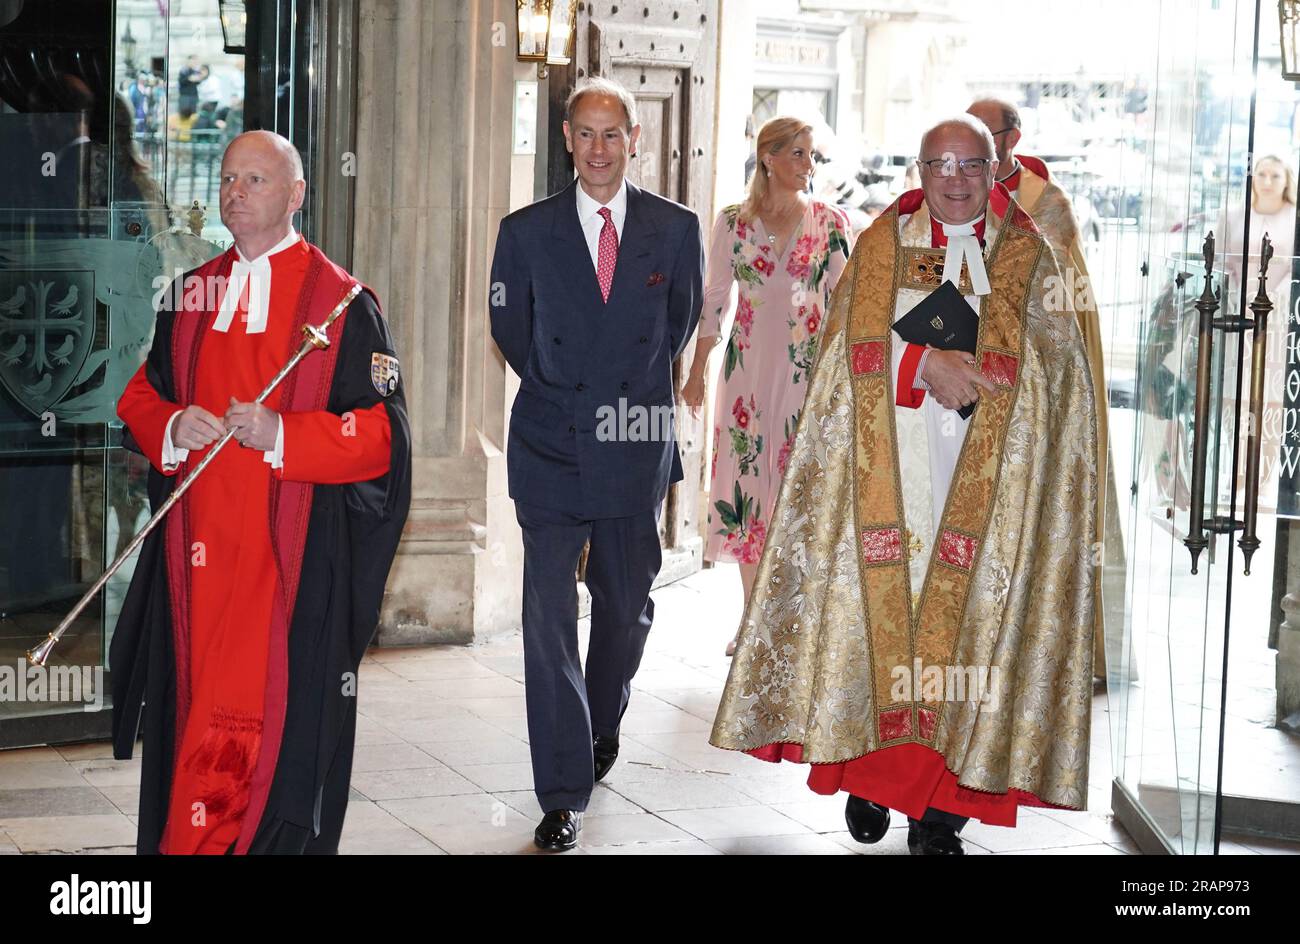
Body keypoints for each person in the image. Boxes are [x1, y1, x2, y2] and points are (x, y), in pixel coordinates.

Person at [710, 115, 1098, 855]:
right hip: (889, 468)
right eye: (939, 164)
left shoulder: (1029, 255)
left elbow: (1066, 377)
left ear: (994, 169)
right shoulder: (884, 244)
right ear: (919, 170)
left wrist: (999, 382)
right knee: (880, 629)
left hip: (989, 487)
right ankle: (867, 776)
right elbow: (840, 354)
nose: (955, 179)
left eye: (970, 165)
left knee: (966, 647)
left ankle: (939, 814)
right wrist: (919, 367)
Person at [111, 130, 412, 854]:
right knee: (194, 726)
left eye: (256, 180)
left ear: (297, 195)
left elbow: (383, 440)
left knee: (275, 734)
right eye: (228, 180)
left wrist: (282, 433)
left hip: (289, 573)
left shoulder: (342, 306)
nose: (236, 194)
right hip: (197, 569)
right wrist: (175, 424)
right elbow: (140, 400)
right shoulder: (190, 294)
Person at [489, 77, 704, 851]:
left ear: (635, 139)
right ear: (568, 139)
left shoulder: (676, 231)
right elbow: (511, 328)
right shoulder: (524, 231)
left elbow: (676, 326)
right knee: (547, 619)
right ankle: (561, 790)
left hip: (634, 435)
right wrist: (562, 389)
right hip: (549, 439)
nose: (600, 148)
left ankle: (603, 715)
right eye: (586, 133)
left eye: (614, 134)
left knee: (624, 604)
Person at [680, 117, 853, 656]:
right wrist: (695, 372)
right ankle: (753, 620)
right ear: (769, 159)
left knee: (799, 490)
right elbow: (714, 300)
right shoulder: (733, 222)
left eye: (811, 156)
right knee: (749, 493)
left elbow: (847, 302)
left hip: (808, 375)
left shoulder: (831, 222)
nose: (808, 165)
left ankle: (799, 619)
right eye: (797, 154)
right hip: (748, 376)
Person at [967, 98, 1117, 680]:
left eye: (988, 133)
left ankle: (1035, 646)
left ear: (1012, 137)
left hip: (1031, 376)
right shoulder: (951, 186)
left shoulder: (1046, 202)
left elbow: (1033, 282)